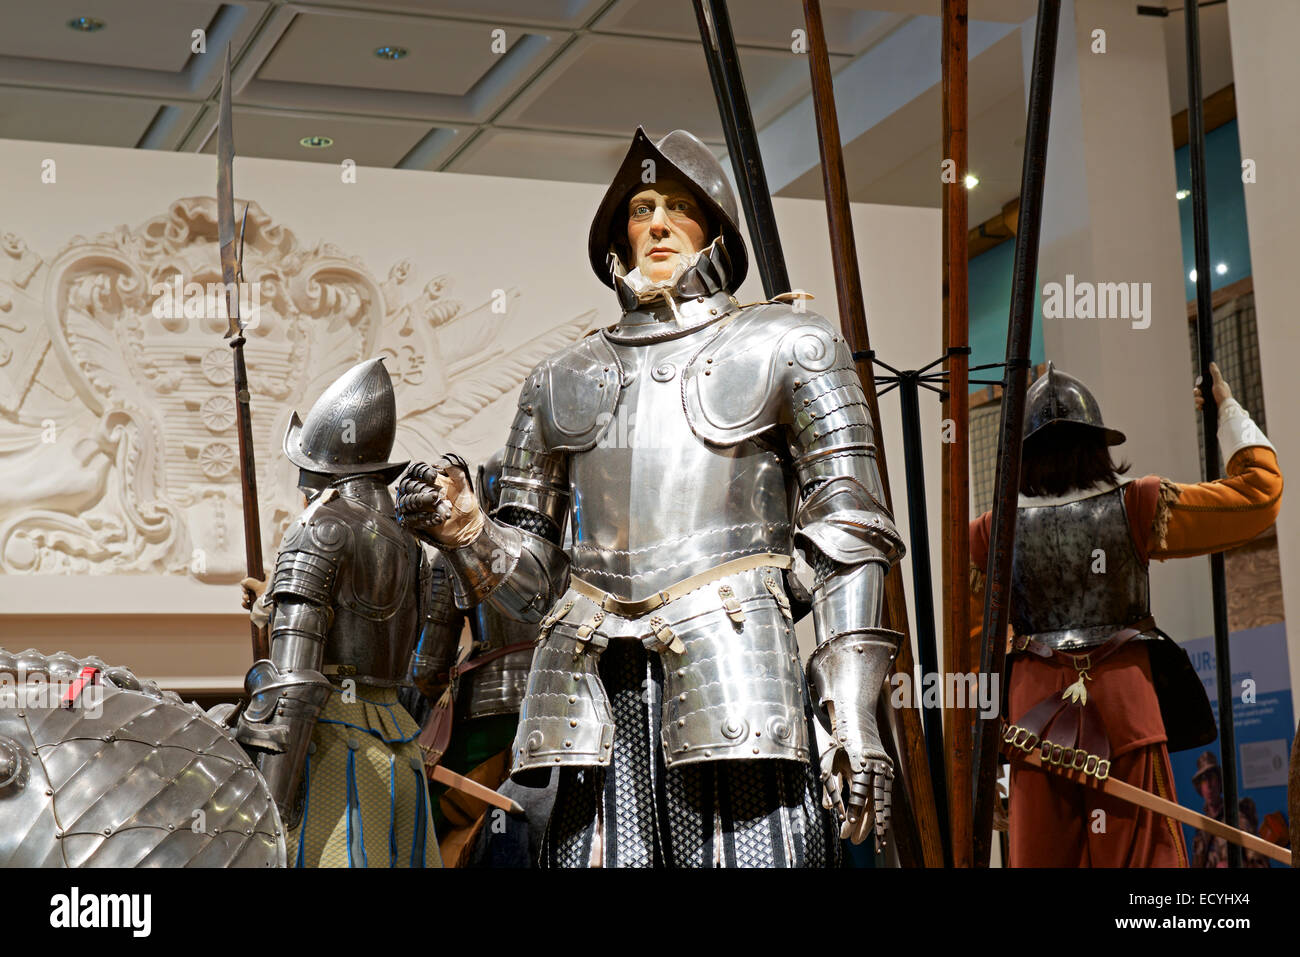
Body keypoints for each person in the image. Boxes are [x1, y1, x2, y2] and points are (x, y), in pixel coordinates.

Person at [395, 127, 904, 868]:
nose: (657, 222)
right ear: (619, 235)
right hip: (590, 686)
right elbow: (535, 582)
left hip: (738, 668)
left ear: (716, 228)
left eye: (678, 205)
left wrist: (853, 713)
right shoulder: (560, 376)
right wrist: (470, 530)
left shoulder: (789, 342)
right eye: (640, 207)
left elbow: (848, 532)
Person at [971, 361, 1281, 867]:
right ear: (1097, 445)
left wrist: (989, 771)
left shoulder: (988, 536)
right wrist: (1227, 408)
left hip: (1031, 730)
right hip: (1123, 715)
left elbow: (971, 663)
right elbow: (1259, 495)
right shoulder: (1138, 505)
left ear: (1020, 458)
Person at [235, 357, 439, 867]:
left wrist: (272, 804)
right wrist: (271, 600)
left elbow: (294, 683)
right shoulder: (410, 539)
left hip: (334, 744)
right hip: (398, 743)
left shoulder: (320, 527)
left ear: (324, 464)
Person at [402, 448, 557, 866]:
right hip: (568, 709)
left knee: (425, 818)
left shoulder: (454, 554)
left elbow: (427, 666)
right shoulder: (574, 556)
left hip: (486, 720)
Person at [1190, 751, 1270, 867]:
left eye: (1211, 778)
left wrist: (1235, 864)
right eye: (1203, 780)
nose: (1209, 785)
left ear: (1220, 782)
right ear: (1200, 787)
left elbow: (1260, 863)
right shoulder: (1201, 828)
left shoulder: (1237, 818)